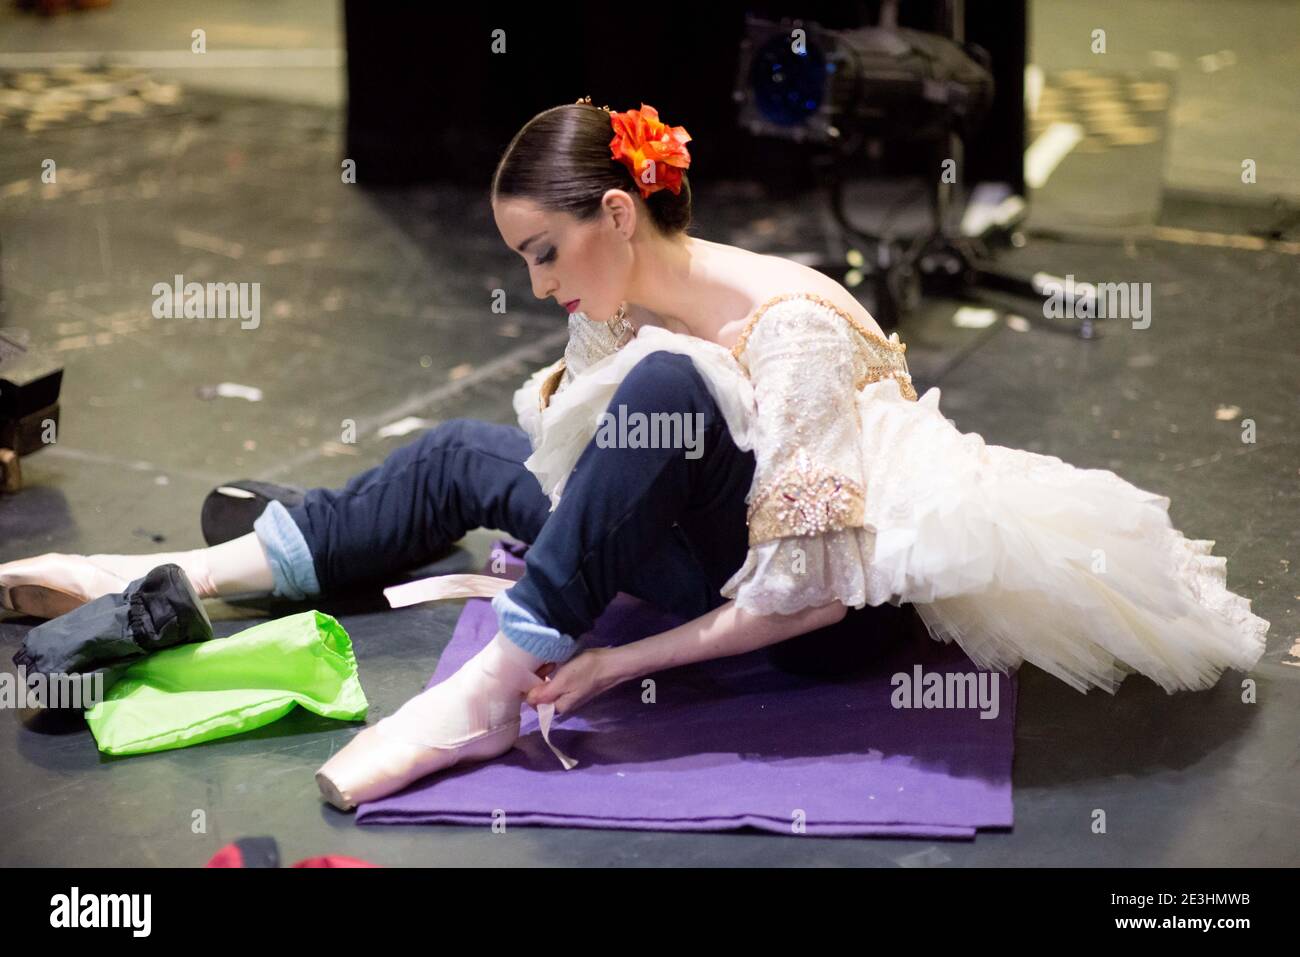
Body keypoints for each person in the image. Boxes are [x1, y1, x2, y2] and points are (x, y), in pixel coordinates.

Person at [1, 99, 1269, 812]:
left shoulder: (790, 331)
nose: (541, 287)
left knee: (666, 389)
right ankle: (182, 575)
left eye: (545, 255)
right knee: (455, 451)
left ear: (617, 211)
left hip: (811, 602)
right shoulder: (623, 294)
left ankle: (491, 689)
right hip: (689, 526)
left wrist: (612, 664)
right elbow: (577, 453)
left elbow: (813, 590)